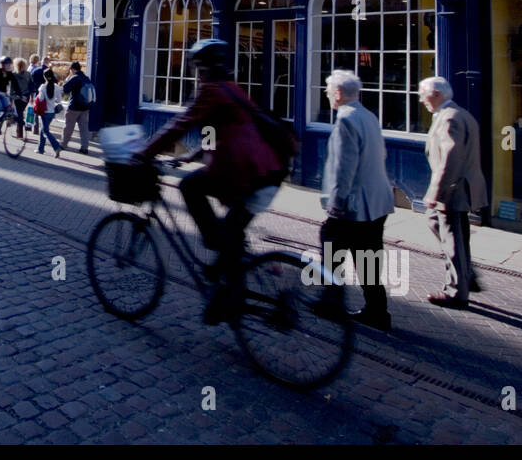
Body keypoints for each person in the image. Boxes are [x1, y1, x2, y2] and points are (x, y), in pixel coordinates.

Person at [135, 39, 285, 323]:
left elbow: (180, 124)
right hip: (266, 173)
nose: (196, 73)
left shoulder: (212, 90)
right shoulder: (233, 88)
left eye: (196, 67)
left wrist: (143, 154)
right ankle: (227, 296)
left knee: (190, 186)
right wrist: (194, 154)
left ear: (202, 67)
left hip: (250, 175)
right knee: (232, 241)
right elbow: (223, 128)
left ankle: (218, 259)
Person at [317, 70, 397, 332]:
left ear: (338, 94)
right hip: (378, 200)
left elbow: (344, 169)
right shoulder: (368, 116)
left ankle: (331, 301)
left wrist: (336, 204)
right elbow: (381, 154)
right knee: (368, 257)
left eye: (328, 92)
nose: (327, 96)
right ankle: (378, 311)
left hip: (356, 203)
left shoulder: (346, 121)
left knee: (330, 242)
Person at [420, 76, 487, 308]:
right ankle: (466, 275)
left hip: (453, 189)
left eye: (423, 94)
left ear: (437, 94)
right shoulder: (461, 114)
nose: (421, 99)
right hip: (460, 187)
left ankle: (457, 291)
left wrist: (437, 193)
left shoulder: (450, 118)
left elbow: (451, 159)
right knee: (449, 232)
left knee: (452, 239)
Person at [61, 60, 93, 154]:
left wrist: (67, 79)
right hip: (85, 107)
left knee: (68, 127)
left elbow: (65, 89)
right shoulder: (86, 78)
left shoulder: (74, 78)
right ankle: (84, 148)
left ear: (72, 69)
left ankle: (63, 144)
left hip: (74, 107)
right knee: (84, 129)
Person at [0, 56, 21, 133]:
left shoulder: (9, 74)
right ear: (2, 65)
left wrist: (20, 94)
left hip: (2, 95)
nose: (9, 66)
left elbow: (15, 83)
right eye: (7, 64)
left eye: (10, 64)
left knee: (8, 108)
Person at [35, 69, 63, 157]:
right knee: (43, 129)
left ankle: (56, 146)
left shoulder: (43, 87)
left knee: (45, 131)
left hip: (44, 112)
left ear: (45, 77)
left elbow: (40, 99)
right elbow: (58, 100)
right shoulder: (57, 87)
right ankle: (40, 149)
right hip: (52, 112)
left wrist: (39, 94)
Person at [13, 58, 31, 139]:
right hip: (26, 96)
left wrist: (11, 98)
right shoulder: (28, 74)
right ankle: (19, 132)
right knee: (21, 112)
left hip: (17, 96)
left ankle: (20, 130)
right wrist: (32, 96)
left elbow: (12, 88)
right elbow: (31, 85)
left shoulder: (14, 74)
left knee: (19, 113)